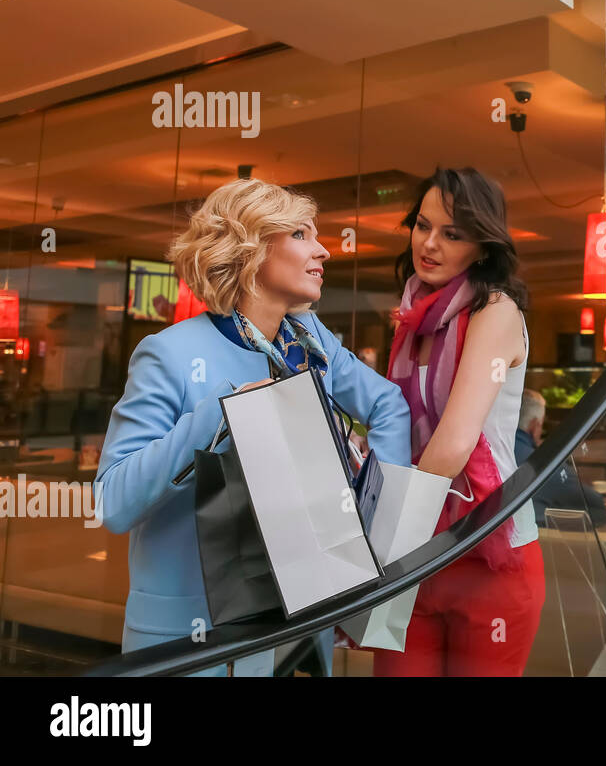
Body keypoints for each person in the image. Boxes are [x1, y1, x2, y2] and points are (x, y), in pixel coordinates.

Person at [95, 179, 411, 675]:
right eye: (302, 235)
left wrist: (380, 526)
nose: (324, 250)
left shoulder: (311, 342)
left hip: (297, 621)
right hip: (189, 636)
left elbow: (389, 406)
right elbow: (114, 504)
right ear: (253, 248)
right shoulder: (170, 353)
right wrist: (219, 417)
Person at [372, 167, 544, 677]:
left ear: (482, 246)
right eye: (422, 226)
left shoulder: (496, 311)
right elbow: (396, 427)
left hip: (486, 549)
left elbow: (452, 444)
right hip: (416, 552)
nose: (429, 244)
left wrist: (385, 534)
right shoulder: (413, 316)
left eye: (452, 234)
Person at [515, 388, 606, 527]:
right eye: (541, 426)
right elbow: (594, 504)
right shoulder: (544, 466)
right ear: (534, 426)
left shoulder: (489, 453)